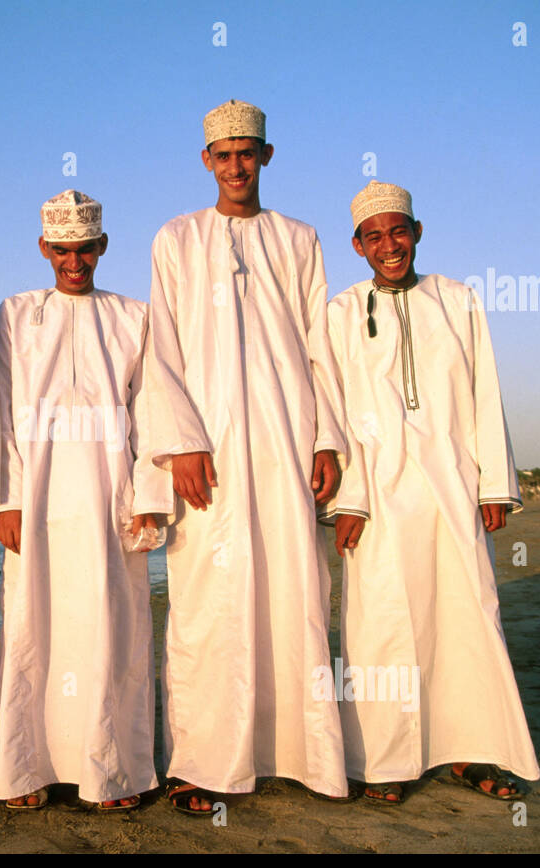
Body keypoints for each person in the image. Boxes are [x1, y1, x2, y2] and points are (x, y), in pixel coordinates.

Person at [143, 100, 351, 813]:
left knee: (297, 591)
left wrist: (326, 436)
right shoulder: (176, 237)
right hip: (209, 452)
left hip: (286, 435)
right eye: (223, 154)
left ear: (266, 156)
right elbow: (161, 349)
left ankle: (303, 754)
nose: (235, 166)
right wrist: (182, 442)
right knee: (207, 602)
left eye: (247, 152)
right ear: (206, 160)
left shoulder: (299, 238)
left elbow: (320, 343)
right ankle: (204, 763)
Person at [325, 181, 540, 804]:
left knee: (465, 615)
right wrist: (350, 498)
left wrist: (493, 483)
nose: (388, 246)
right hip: (378, 489)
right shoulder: (342, 311)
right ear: (358, 245)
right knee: (383, 622)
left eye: (398, 231)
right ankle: (384, 761)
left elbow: (485, 393)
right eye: (374, 236)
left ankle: (470, 753)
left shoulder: (458, 299)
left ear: (417, 232)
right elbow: (333, 410)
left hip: (452, 480)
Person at [0, 190, 171, 813]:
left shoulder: (132, 316)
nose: (74, 261)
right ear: (43, 249)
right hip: (35, 500)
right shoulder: (14, 314)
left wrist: (149, 496)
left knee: (111, 631)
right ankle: (25, 768)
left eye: (85, 249)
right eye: (62, 250)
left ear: (102, 247)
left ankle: (110, 773)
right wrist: (2, 500)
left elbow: (154, 412)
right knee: (34, 628)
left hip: (108, 498)